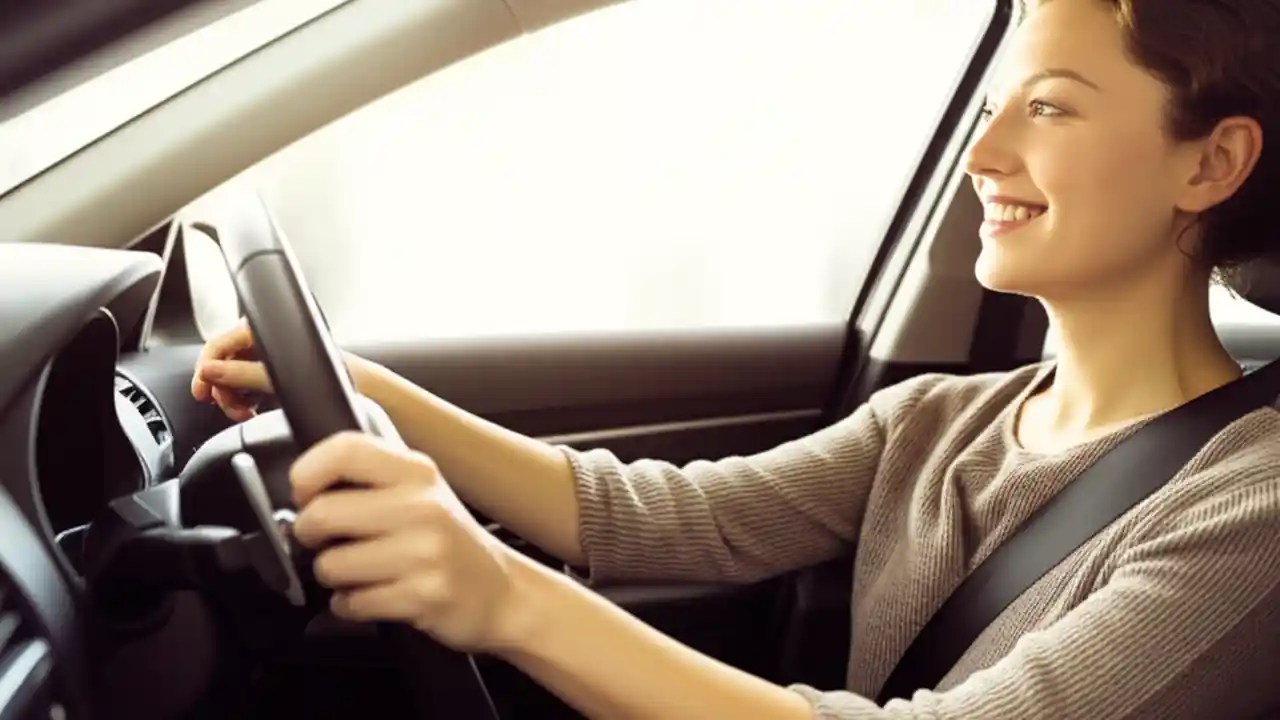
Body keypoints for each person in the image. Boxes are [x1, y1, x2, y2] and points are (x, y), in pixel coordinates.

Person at [191, 0, 1280, 716]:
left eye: (1047, 109)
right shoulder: (935, 421)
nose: (981, 154)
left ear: (1211, 163)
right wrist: (364, 389)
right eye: (992, 109)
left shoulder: (1250, 508)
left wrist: (505, 599)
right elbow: (664, 518)